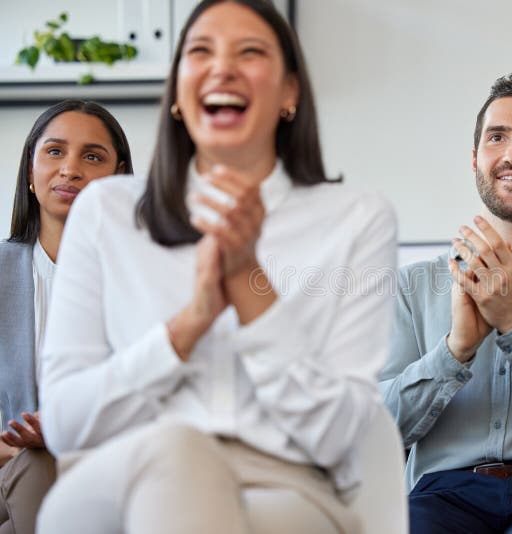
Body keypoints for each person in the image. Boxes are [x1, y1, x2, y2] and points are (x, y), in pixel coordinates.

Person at [36, 1, 396, 533]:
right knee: (179, 451)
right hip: (115, 479)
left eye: (249, 52)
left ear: (290, 93)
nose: (222, 67)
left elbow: (339, 435)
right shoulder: (106, 212)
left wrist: (247, 282)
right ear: (179, 95)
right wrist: (188, 326)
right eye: (200, 51)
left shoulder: (357, 218)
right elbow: (66, 424)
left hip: (287, 487)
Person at [380, 71, 512, 533]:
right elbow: (372, 432)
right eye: (497, 137)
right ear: (475, 158)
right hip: (439, 502)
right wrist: (454, 352)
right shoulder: (411, 287)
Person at [0, 100, 132, 534]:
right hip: (9, 467)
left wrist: (64, 435)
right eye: (54, 151)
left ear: (119, 176)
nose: (70, 169)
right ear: (31, 174)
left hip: (107, 464)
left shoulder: (143, 279)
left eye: (92, 156)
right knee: (36, 466)